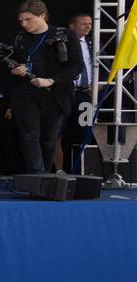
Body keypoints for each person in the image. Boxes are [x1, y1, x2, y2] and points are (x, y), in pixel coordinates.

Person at [7, 0, 84, 174]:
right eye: (21, 21)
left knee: (50, 140)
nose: (24, 24)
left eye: (28, 19)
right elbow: (11, 63)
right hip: (26, 93)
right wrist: (15, 70)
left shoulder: (65, 34)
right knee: (29, 136)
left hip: (55, 93)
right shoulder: (20, 38)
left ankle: (45, 176)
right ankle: (37, 175)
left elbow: (77, 66)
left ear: (42, 15)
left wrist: (51, 80)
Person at [59, 12, 94, 171]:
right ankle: (57, 170)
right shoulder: (60, 44)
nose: (88, 27)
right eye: (83, 23)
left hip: (85, 94)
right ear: (72, 26)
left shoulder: (93, 44)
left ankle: (80, 169)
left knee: (83, 132)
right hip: (64, 93)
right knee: (58, 131)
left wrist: (97, 84)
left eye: (90, 24)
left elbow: (105, 66)